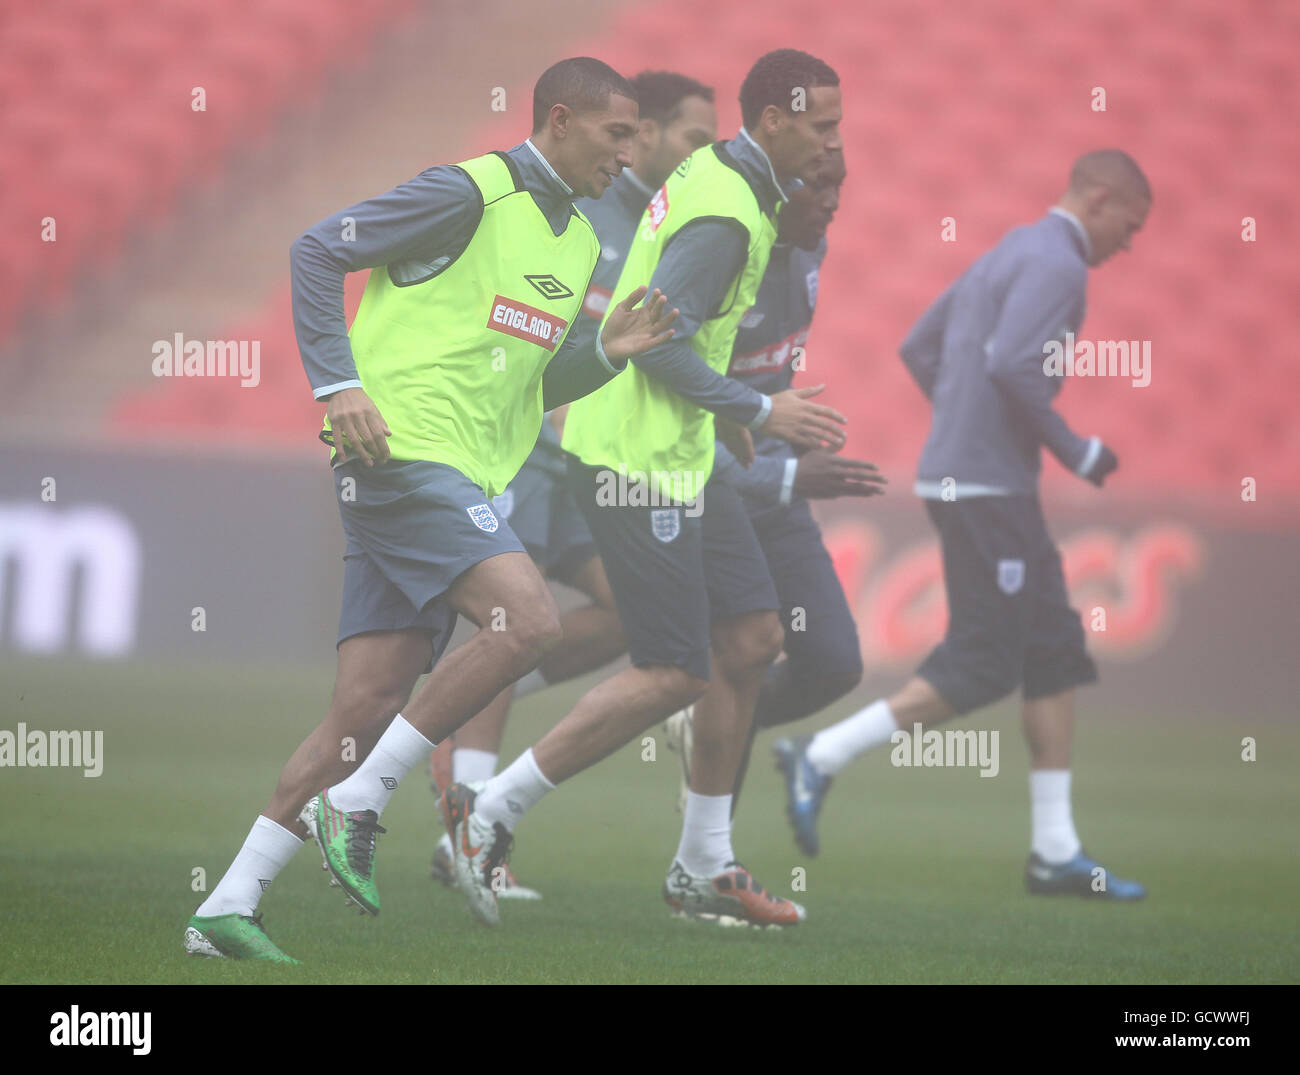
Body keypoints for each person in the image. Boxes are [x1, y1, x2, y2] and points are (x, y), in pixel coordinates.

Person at [184, 57, 678, 962]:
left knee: (367, 704)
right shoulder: (469, 193)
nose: (630, 150)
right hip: (401, 452)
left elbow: (533, 376)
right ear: (560, 120)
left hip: (464, 474)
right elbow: (317, 248)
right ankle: (363, 799)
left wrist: (607, 352)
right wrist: (338, 387)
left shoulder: (573, 241)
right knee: (525, 619)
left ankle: (227, 905)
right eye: (617, 132)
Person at [441, 49, 847, 930]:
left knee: (749, 636)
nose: (831, 142)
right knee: (671, 668)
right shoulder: (730, 217)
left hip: (684, 454)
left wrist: (729, 419)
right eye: (821, 125)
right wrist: (759, 410)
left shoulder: (718, 170)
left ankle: (701, 865)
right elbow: (657, 345)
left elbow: (681, 335)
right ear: (775, 122)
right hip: (635, 462)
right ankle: (490, 816)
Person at [774, 150, 1151, 901]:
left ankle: (1054, 850)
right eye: (1129, 227)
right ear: (1101, 199)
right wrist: (1076, 448)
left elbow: (920, 346)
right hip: (987, 487)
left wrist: (960, 421)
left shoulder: (1014, 246)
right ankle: (822, 753)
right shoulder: (1060, 263)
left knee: (1053, 651)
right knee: (985, 661)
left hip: (973, 477)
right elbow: (1014, 363)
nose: (1127, 244)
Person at [428, 71, 719, 900]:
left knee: (628, 616)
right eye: (693, 139)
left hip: (584, 457)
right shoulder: (577, 205)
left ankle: (486, 684)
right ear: (648, 134)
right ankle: (466, 827)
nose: (703, 156)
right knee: (504, 618)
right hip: (521, 447)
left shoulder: (669, 222)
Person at [662, 148, 886, 815]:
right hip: (707, 487)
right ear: (777, 192)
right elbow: (679, 408)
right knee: (743, 653)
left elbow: (766, 376)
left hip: (773, 474)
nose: (833, 201)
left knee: (835, 662)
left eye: (841, 187)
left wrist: (785, 449)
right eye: (819, 186)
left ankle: (706, 730)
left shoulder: (809, 252)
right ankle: (703, 859)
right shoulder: (724, 256)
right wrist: (788, 473)